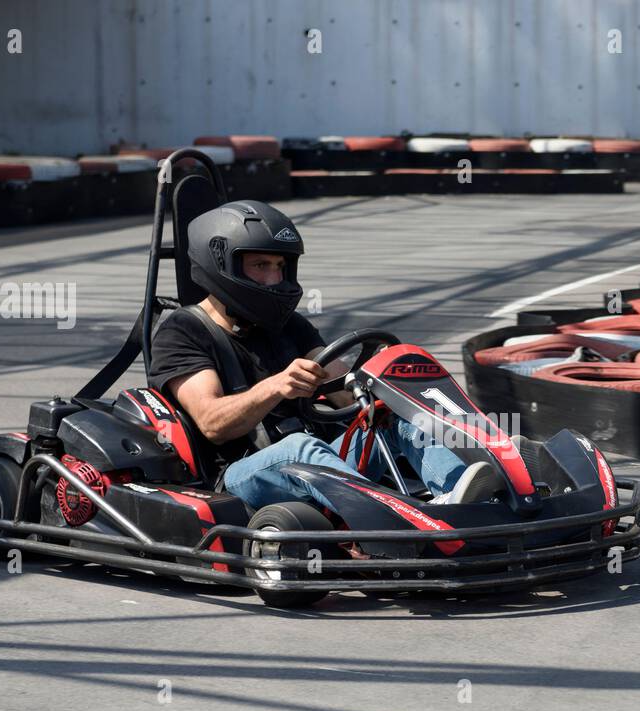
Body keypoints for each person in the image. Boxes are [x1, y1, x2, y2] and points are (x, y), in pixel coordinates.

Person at [147, 199, 504, 512]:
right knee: (300, 446)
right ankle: (398, 519)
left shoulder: (290, 326)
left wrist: (382, 377)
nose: (274, 279)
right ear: (222, 265)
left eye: (280, 266)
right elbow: (213, 424)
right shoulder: (184, 331)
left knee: (398, 420)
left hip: (321, 462)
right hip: (240, 474)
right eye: (260, 266)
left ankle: (467, 496)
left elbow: (344, 391)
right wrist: (276, 387)